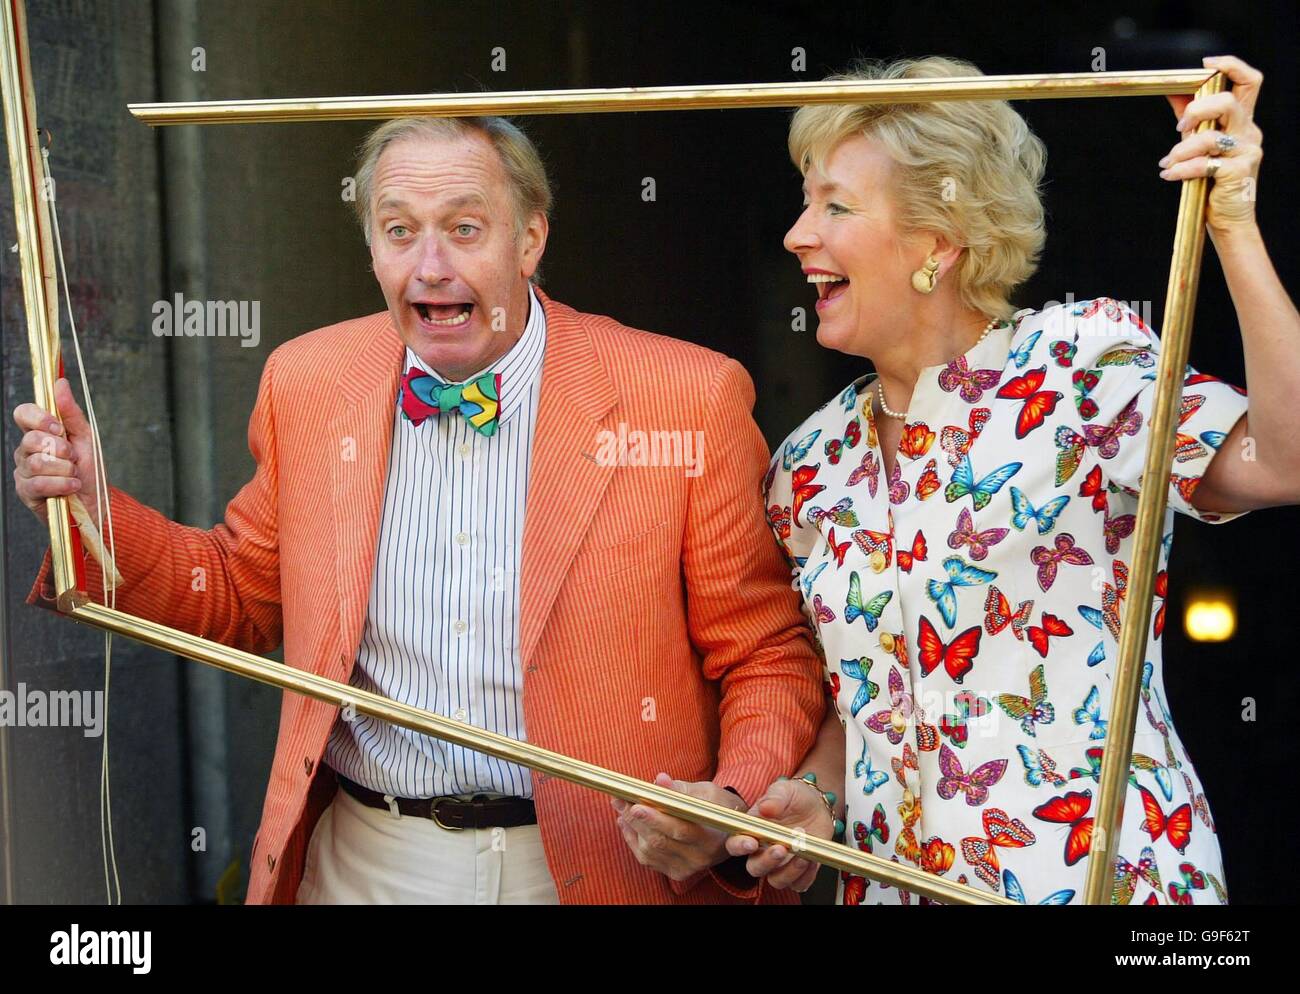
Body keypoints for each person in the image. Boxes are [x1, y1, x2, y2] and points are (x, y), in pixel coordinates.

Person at [12, 115, 824, 904]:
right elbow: (237, 593)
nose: (429, 266)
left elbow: (764, 652)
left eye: (465, 229)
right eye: (399, 231)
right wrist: (91, 508)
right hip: (368, 861)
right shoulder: (309, 381)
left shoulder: (684, 396)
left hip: (606, 870)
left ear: (531, 240)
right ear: (371, 246)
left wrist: (729, 800)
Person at [725, 54, 1299, 905]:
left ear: (940, 240)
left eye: (835, 206)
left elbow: (1283, 460)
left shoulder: (1079, 364)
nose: (797, 234)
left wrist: (1234, 227)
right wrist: (816, 800)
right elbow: (863, 706)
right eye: (807, 201)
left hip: (1108, 885)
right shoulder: (807, 465)